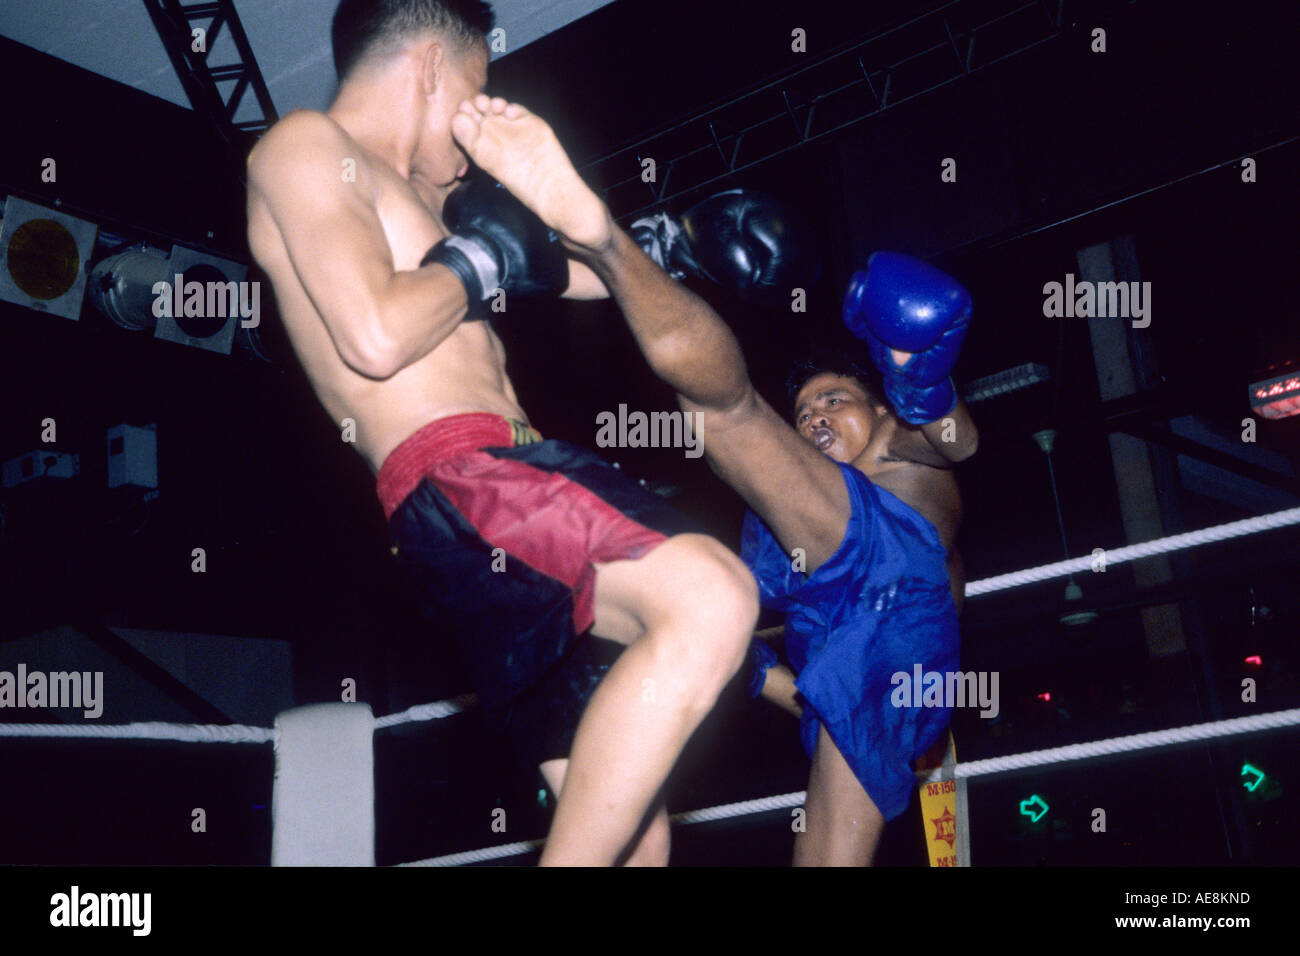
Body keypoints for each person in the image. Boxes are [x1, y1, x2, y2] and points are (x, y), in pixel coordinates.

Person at [244, 0, 759, 866]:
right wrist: (482, 256)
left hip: (492, 529)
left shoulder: (428, 201)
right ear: (433, 65)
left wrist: (678, 244)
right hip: (464, 478)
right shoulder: (304, 147)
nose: (478, 122)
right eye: (479, 83)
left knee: (639, 843)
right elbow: (374, 336)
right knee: (713, 594)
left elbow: (558, 265)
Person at [444, 93, 978, 865]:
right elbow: (785, 672)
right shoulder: (783, 523)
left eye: (834, 399)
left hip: (901, 617)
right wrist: (746, 667)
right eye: (805, 411)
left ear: (876, 405)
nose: (817, 417)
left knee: (724, 411)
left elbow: (960, 443)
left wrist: (926, 385)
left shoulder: (903, 450)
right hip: (847, 665)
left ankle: (614, 244)